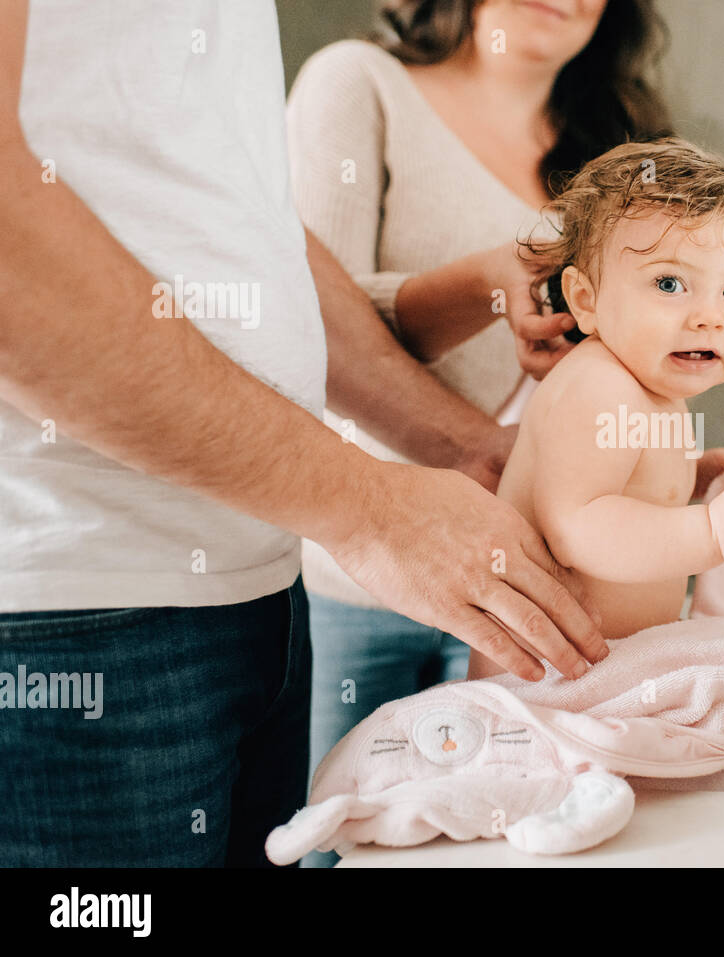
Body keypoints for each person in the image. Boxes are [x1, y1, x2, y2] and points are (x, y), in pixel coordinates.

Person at [0, 0, 605, 867]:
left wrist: (467, 447)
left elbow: (255, 240)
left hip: (253, 596)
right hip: (69, 616)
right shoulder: (362, 86)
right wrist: (366, 506)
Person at [283, 0, 673, 812]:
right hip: (363, 590)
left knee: (530, 832)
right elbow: (312, 320)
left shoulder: (622, 147)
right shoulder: (360, 85)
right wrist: (484, 286)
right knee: (338, 836)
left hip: (552, 597)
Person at [463, 137, 724, 679]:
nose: (710, 317)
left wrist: (689, 478)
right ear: (586, 300)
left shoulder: (652, 389)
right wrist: (712, 532)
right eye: (670, 283)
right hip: (546, 692)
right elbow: (578, 525)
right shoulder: (601, 387)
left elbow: (624, 492)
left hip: (601, 684)